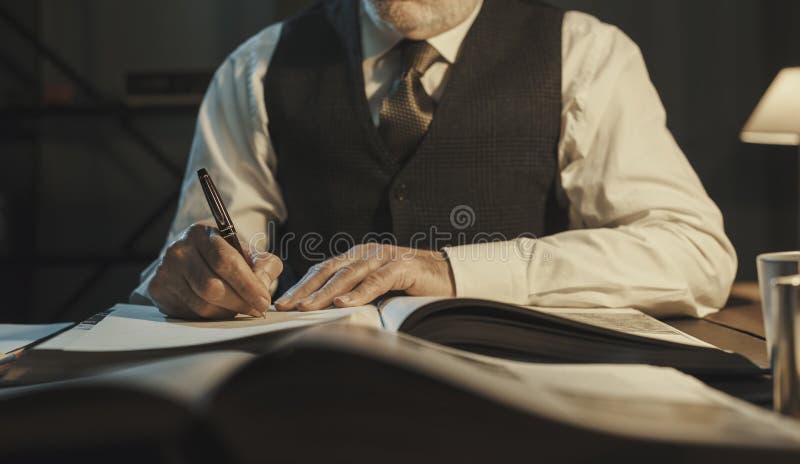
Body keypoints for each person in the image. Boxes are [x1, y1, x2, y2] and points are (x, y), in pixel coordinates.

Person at [132, 0, 737, 320]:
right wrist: (191, 278)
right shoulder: (256, 67)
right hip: (309, 411)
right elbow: (198, 258)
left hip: (527, 409)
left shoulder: (586, 53)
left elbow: (695, 254)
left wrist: (456, 271)